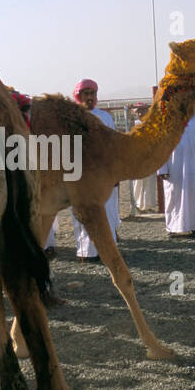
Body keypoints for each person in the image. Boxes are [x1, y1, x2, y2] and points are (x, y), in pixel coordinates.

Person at [69, 79, 119, 261]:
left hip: (104, 174)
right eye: (86, 93)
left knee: (107, 211)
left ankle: (108, 251)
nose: (90, 97)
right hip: (80, 175)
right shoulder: (70, 117)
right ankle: (87, 252)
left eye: (93, 93)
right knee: (83, 213)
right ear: (78, 95)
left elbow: (113, 147)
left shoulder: (105, 118)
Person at [157, 110, 195, 237]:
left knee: (194, 195)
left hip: (193, 166)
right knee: (173, 196)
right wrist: (162, 168)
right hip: (173, 167)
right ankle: (173, 228)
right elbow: (161, 144)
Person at [129, 104, 159, 214]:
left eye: (143, 111)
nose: (141, 113)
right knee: (138, 182)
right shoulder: (134, 124)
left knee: (150, 182)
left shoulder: (152, 123)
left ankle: (148, 205)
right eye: (138, 111)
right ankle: (138, 205)